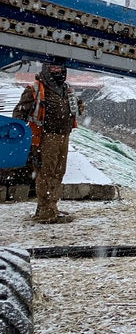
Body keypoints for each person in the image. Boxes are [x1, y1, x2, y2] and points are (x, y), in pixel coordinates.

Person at [12, 59, 84, 223]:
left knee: (59, 172)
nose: (57, 71)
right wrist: (27, 141)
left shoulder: (66, 89)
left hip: (63, 136)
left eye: (60, 67)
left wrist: (78, 107)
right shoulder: (34, 90)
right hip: (45, 137)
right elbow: (18, 115)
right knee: (46, 174)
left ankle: (52, 206)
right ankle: (45, 210)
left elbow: (74, 110)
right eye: (53, 67)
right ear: (46, 69)